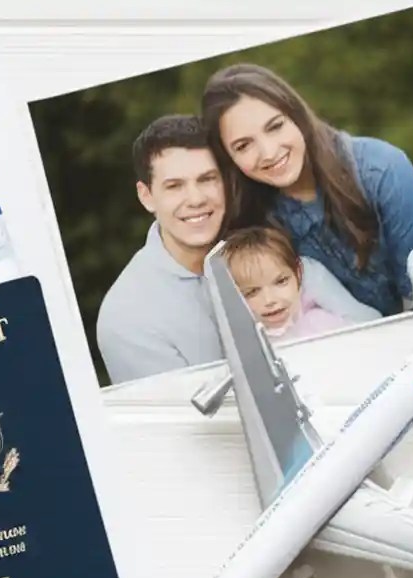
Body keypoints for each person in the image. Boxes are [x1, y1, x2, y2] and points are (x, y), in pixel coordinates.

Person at [96, 114, 379, 385]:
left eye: (207, 179)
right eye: (174, 186)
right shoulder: (128, 317)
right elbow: (180, 428)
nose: (195, 199)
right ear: (147, 196)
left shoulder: (265, 242)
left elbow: (371, 330)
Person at [200, 63, 413, 317]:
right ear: (229, 158)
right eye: (243, 146)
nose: (269, 152)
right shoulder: (252, 221)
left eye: (275, 127)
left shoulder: (382, 170)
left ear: (296, 115)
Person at [219, 225, 349, 343]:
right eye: (251, 292)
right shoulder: (239, 343)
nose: (270, 300)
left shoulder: (323, 326)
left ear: (298, 273)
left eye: (281, 281)